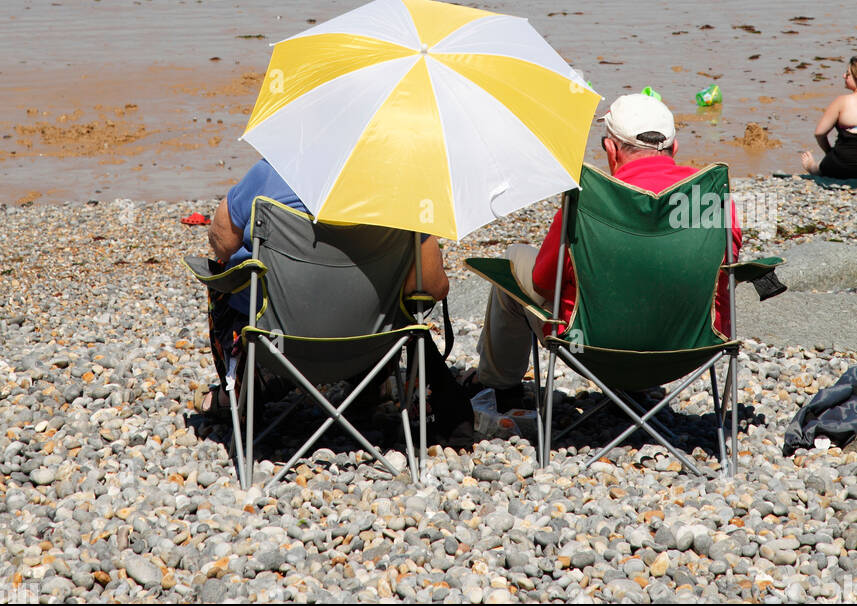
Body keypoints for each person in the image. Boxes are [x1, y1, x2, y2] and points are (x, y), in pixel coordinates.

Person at [473, 92, 742, 407]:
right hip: (689, 351)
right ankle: (637, 390)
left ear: (611, 149)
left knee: (516, 258)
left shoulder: (588, 201)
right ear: (675, 148)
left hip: (592, 349)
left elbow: (544, 282)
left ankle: (500, 389)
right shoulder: (713, 201)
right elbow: (723, 279)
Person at [197, 156, 463, 435]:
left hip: (276, 343)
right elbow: (434, 287)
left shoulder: (274, 169)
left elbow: (223, 242)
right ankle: (371, 385)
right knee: (397, 294)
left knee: (221, 279)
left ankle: (238, 392)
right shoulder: (400, 184)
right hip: (371, 346)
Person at [801, 58, 857, 179]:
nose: (843, 76)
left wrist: (828, 152)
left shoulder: (842, 102)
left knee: (825, 166)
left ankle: (814, 168)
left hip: (841, 166)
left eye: (847, 73)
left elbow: (819, 134)